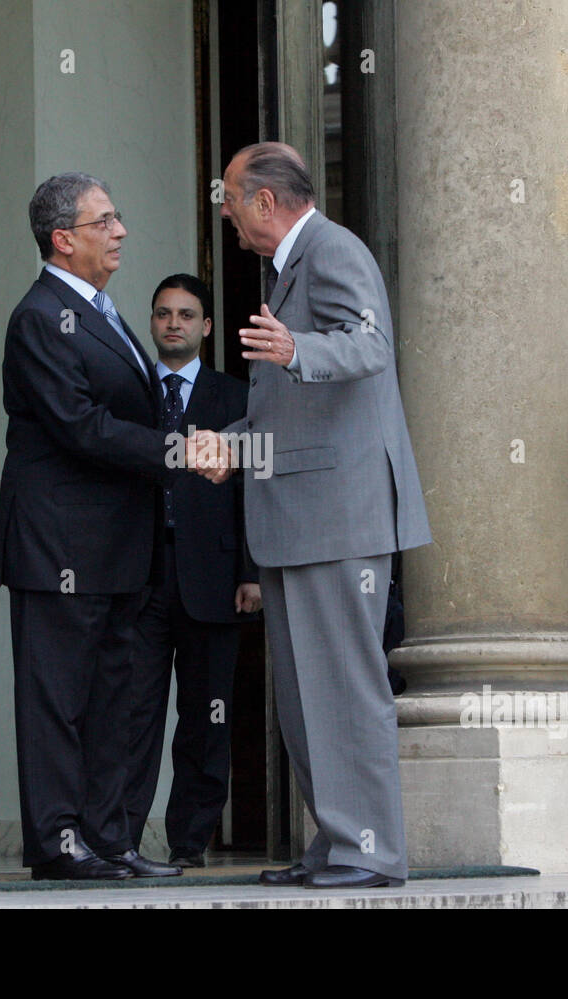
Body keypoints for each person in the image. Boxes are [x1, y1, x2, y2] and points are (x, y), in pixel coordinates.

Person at [0, 174, 227, 880]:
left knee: (113, 706)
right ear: (64, 239)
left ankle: (109, 838)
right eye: (106, 220)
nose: (121, 231)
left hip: (118, 549)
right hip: (61, 545)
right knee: (58, 702)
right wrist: (180, 451)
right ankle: (59, 841)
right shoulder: (41, 315)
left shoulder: (100, 310)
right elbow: (79, 426)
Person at [220, 142, 431, 889]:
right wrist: (231, 447)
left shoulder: (335, 249)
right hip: (299, 512)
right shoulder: (287, 271)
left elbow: (369, 344)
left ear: (266, 202)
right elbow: (299, 411)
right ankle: (339, 841)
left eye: (230, 197)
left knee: (344, 688)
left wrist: (295, 346)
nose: (225, 212)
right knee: (308, 698)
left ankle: (369, 850)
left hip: (340, 514)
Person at [124, 274, 260, 867]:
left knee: (207, 716)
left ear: (206, 326)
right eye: (162, 314)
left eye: (185, 314)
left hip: (216, 576)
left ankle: (189, 841)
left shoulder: (237, 396)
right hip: (141, 575)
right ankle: (119, 838)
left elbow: (255, 486)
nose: (172, 323)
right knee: (134, 713)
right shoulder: (130, 395)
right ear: (151, 323)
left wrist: (252, 571)